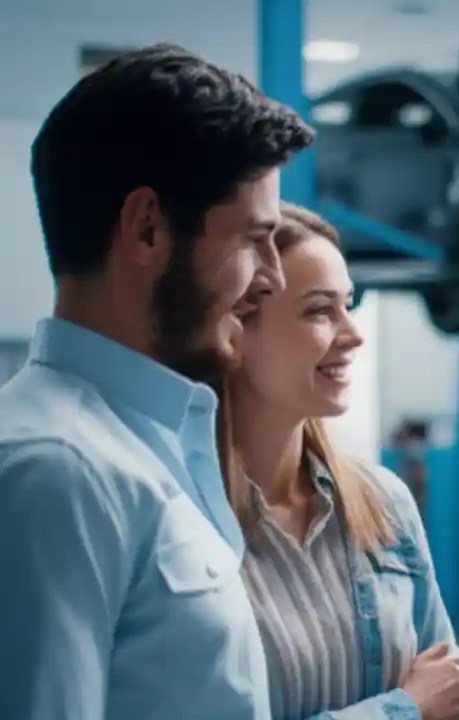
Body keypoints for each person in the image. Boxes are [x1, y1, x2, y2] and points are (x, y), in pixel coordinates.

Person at [0, 44, 314, 719]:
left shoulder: (148, 445)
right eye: (253, 238)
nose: (273, 276)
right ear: (147, 230)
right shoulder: (59, 473)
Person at [217, 203, 459, 720]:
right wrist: (404, 710)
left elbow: (448, 693)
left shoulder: (382, 502)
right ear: (235, 334)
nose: (353, 333)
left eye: (348, 305)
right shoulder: (184, 519)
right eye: (319, 310)